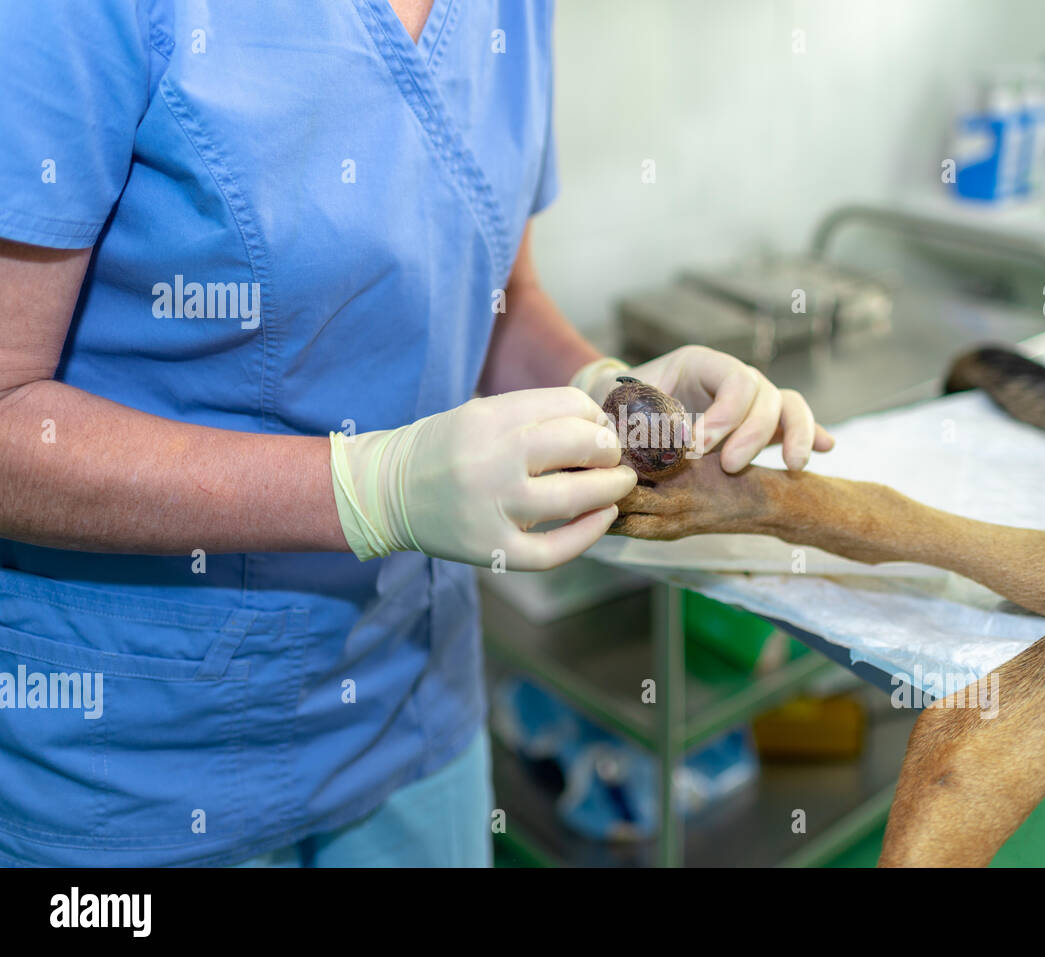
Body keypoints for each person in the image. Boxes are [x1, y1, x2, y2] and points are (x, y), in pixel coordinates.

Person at [0, 0, 831, 866]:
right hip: (135, 752)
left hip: (410, 705)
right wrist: (370, 486)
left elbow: (499, 305)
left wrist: (612, 389)